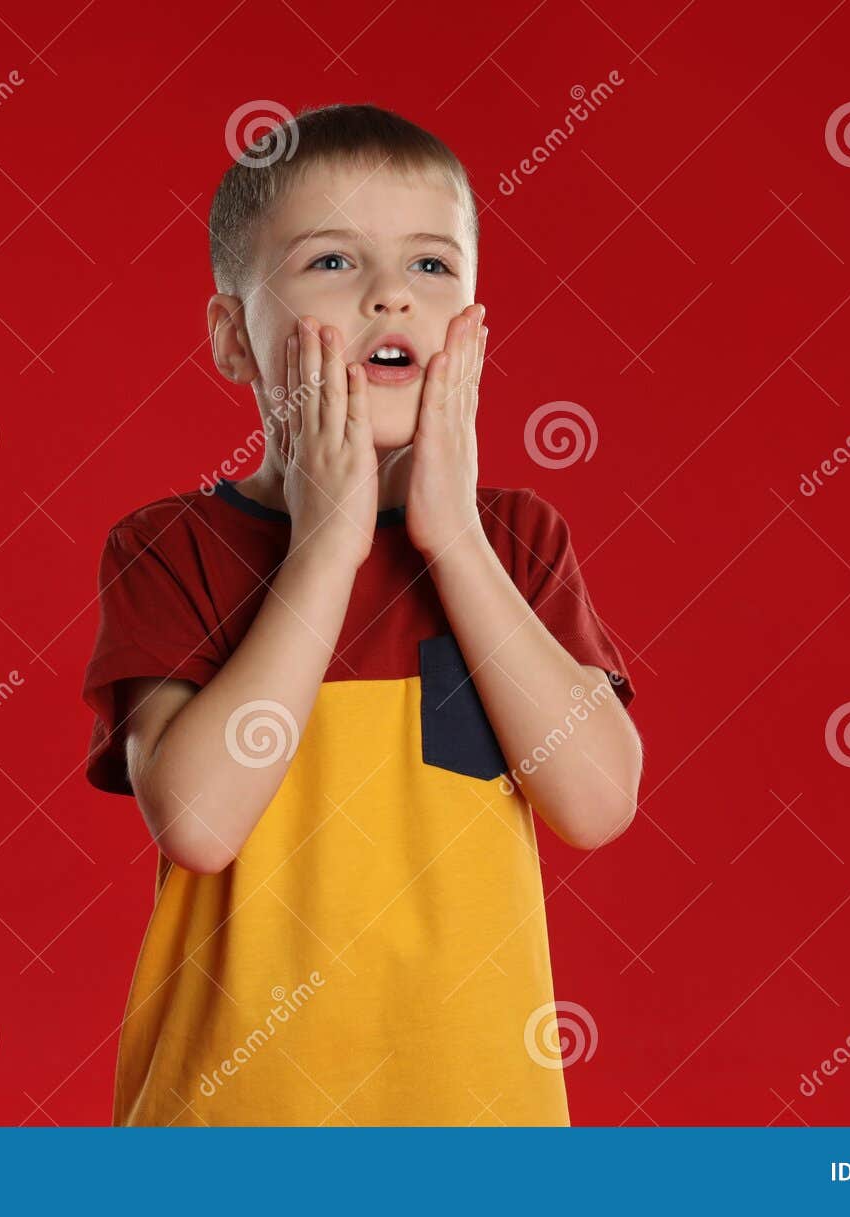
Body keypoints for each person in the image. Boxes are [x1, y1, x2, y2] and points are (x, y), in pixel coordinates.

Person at [80, 102, 641, 1126]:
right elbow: (199, 823)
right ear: (232, 336)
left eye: (432, 266)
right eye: (332, 263)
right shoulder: (172, 547)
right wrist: (326, 544)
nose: (391, 295)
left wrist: (455, 542)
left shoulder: (514, 539)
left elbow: (596, 800)